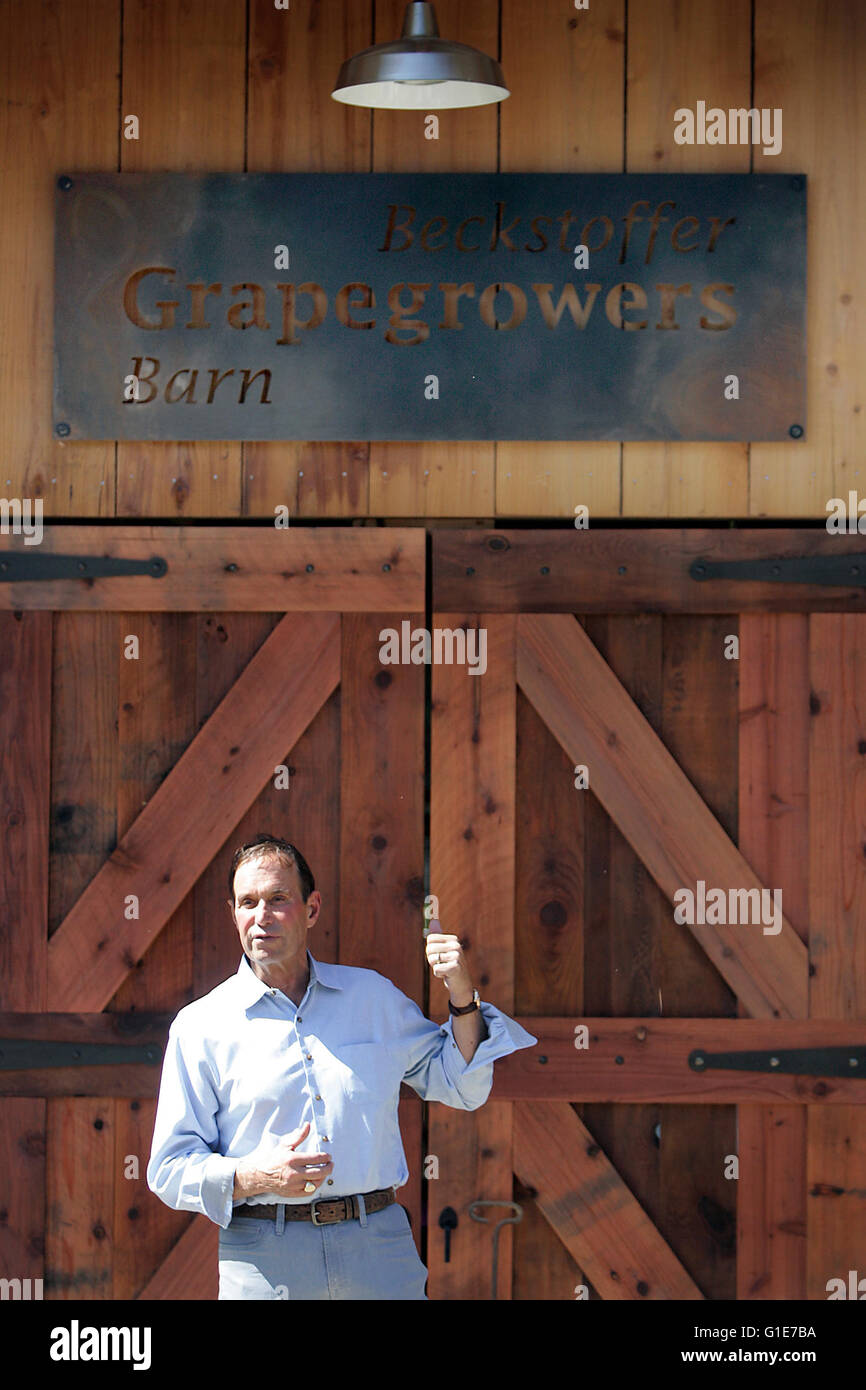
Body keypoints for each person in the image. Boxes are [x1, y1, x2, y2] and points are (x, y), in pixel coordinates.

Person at [146, 833, 536, 1300]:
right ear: (232, 913)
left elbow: (460, 1085)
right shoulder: (201, 1026)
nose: (261, 917)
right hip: (266, 1262)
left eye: (278, 899)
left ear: (312, 909)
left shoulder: (372, 998)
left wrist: (461, 995)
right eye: (247, 902)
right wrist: (256, 1177)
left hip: (378, 1252)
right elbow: (168, 1170)